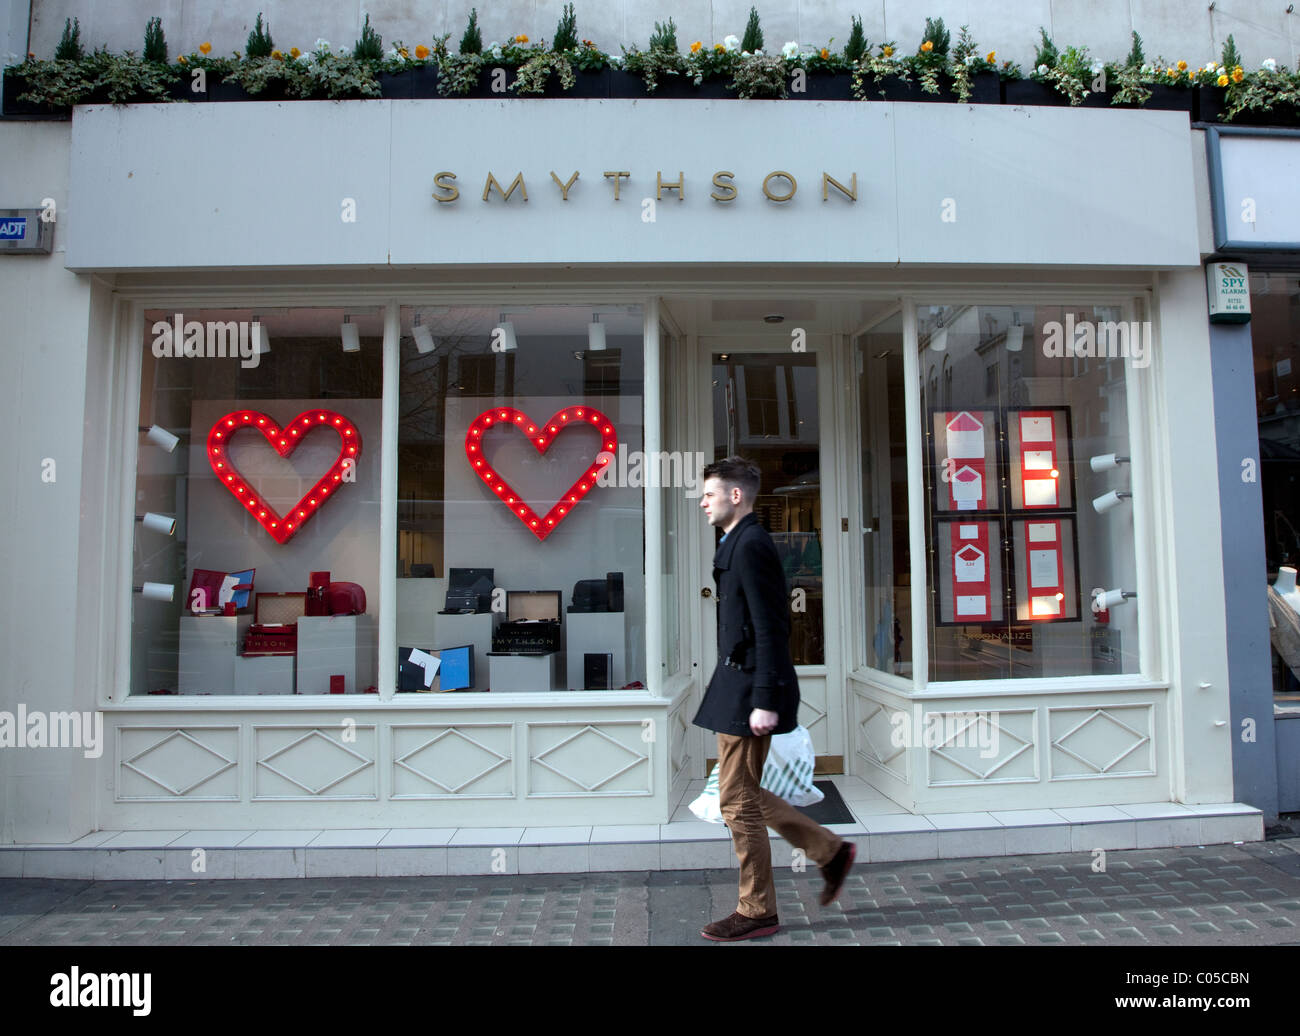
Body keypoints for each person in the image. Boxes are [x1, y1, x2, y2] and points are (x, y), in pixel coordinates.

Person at [693, 456, 855, 941]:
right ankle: (828, 850)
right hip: (736, 686)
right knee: (737, 795)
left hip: (748, 690)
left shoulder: (752, 545)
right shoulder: (737, 540)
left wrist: (765, 698)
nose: (702, 501)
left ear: (735, 495)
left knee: (737, 802)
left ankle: (757, 909)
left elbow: (771, 626)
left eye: (709, 493)